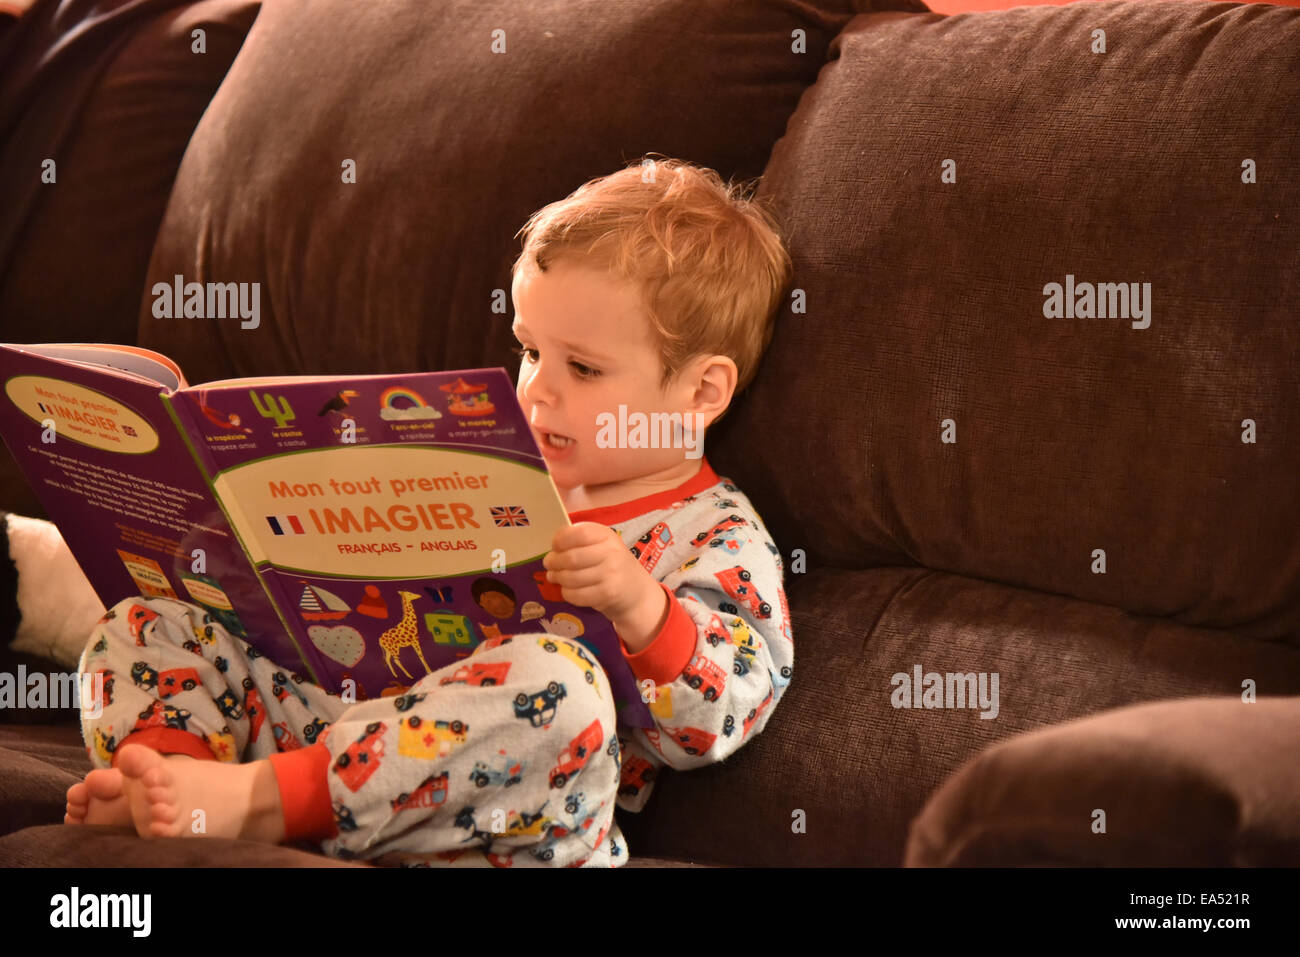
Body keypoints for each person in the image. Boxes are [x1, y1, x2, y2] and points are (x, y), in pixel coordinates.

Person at [57, 156, 795, 867]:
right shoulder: (492, 464)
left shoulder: (718, 532)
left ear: (701, 393)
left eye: (583, 367)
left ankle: (253, 803)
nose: (536, 389)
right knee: (146, 622)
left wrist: (642, 606)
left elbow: (722, 715)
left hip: (501, 811)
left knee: (559, 683)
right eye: (529, 351)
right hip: (334, 728)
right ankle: (170, 780)